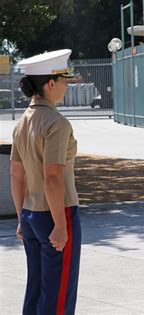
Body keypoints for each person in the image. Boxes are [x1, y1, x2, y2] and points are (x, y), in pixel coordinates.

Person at [10, 49, 81, 314]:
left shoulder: (22, 122)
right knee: (58, 295)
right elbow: (53, 177)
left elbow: (16, 174)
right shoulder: (56, 123)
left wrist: (21, 217)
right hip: (56, 213)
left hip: (30, 214)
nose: (66, 84)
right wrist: (61, 226)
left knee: (37, 291)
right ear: (50, 84)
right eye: (64, 79)